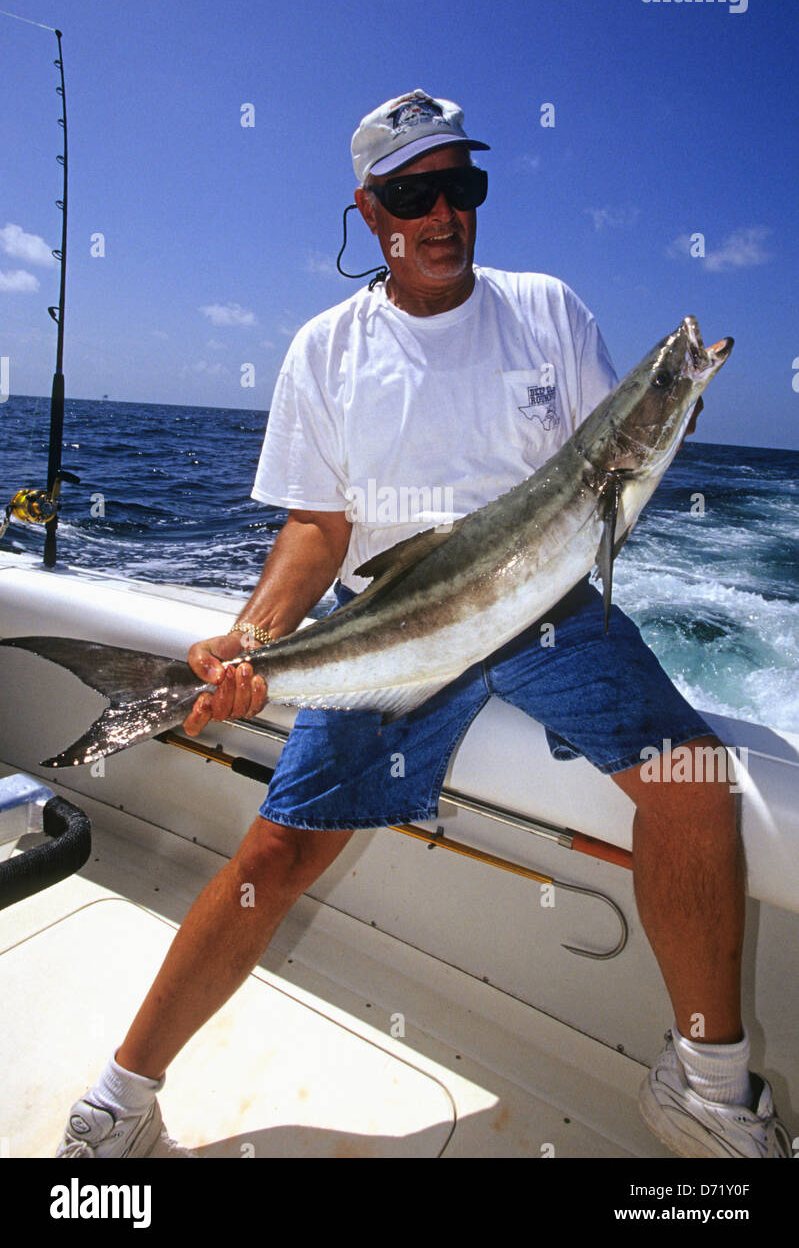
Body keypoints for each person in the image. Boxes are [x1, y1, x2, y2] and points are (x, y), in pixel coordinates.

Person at [56, 89, 790, 1160]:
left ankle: (709, 1089)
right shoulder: (323, 349)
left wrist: (667, 404)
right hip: (390, 610)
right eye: (413, 194)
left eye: (461, 187)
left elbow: (599, 480)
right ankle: (125, 1090)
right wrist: (252, 638)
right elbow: (317, 526)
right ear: (368, 209)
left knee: (695, 786)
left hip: (547, 612)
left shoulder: (548, 309)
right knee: (279, 847)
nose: (442, 215)